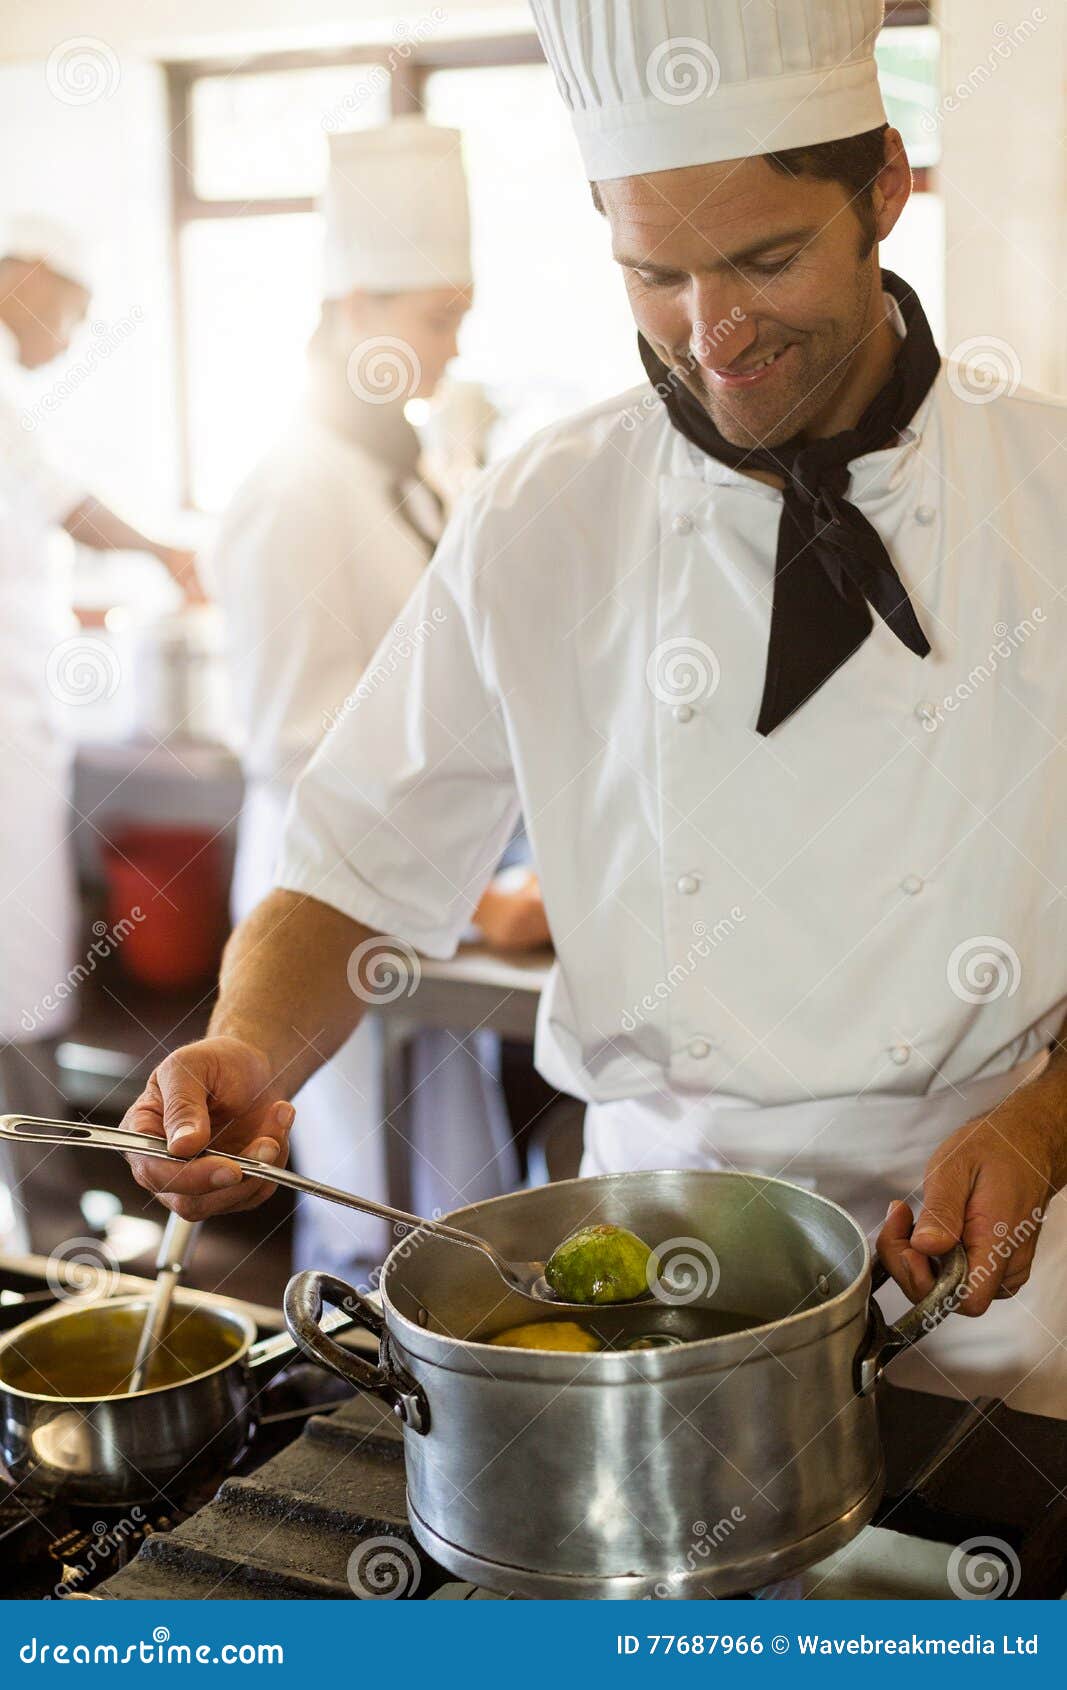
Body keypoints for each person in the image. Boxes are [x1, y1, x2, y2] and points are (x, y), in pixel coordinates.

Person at [122, 1, 1066, 1416]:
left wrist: (1041, 1124)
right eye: (654, 274)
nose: (714, 331)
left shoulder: (1044, 494)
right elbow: (353, 865)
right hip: (637, 1268)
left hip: (978, 1264)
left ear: (883, 181)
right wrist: (245, 1044)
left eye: (764, 257)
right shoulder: (542, 510)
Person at [211, 119, 544, 1280]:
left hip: (414, 901)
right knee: (367, 1216)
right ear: (353, 308)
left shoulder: (392, 468)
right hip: (331, 897)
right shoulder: (293, 489)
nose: (450, 349)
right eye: (433, 320)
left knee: (447, 1222)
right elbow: (312, 751)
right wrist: (475, 909)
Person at [0, 216, 200, 1250]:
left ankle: (45, 1211)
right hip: (5, 745)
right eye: (72, 313)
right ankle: (47, 1226)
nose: (70, 339)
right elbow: (67, 505)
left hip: (20, 729)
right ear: (27, 275)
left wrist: (60, 614)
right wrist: (167, 552)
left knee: (25, 965)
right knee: (20, 970)